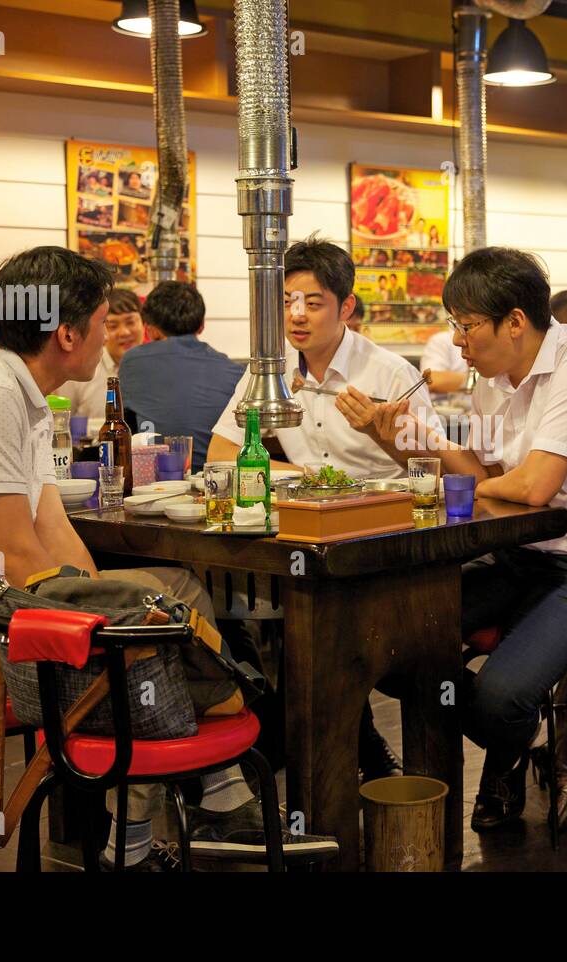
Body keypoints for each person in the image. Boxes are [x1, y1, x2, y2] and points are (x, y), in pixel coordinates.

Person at [0, 246, 334, 870]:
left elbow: (56, 537)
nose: (111, 339)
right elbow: (21, 556)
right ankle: (188, 817)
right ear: (68, 333)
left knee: (162, 595)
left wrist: (114, 601)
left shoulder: (21, 394)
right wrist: (117, 615)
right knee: (143, 636)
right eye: (100, 321)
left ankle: (158, 828)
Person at [334, 246, 567, 833]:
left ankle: (515, 743)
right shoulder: (492, 382)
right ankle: (514, 743)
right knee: (387, 648)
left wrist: (460, 485)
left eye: (465, 325)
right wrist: (396, 431)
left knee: (500, 697)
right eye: (454, 324)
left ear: (516, 322)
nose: (456, 341)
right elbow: (478, 480)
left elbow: (531, 487)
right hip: (521, 559)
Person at [208, 235, 440, 780]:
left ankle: (319, 752)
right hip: (305, 532)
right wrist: (305, 475)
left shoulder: (389, 374)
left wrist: (382, 434)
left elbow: (429, 471)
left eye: (313, 302)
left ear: (346, 308)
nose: (296, 315)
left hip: (381, 536)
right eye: (287, 300)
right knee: (227, 600)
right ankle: (306, 746)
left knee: (316, 621)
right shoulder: (270, 370)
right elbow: (222, 454)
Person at [117, 281, 244, 471]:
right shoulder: (235, 370)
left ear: (149, 329)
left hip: (158, 479)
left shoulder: (132, 361)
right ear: (201, 326)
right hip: (218, 479)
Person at [54, 288, 143, 420]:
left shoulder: (155, 367)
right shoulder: (81, 369)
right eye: (113, 326)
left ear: (144, 324)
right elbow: (59, 422)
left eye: (130, 322)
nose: (124, 332)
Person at [420, 326, 470, 394]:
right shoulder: (442, 340)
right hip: (447, 403)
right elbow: (432, 380)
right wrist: (475, 379)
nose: (456, 341)